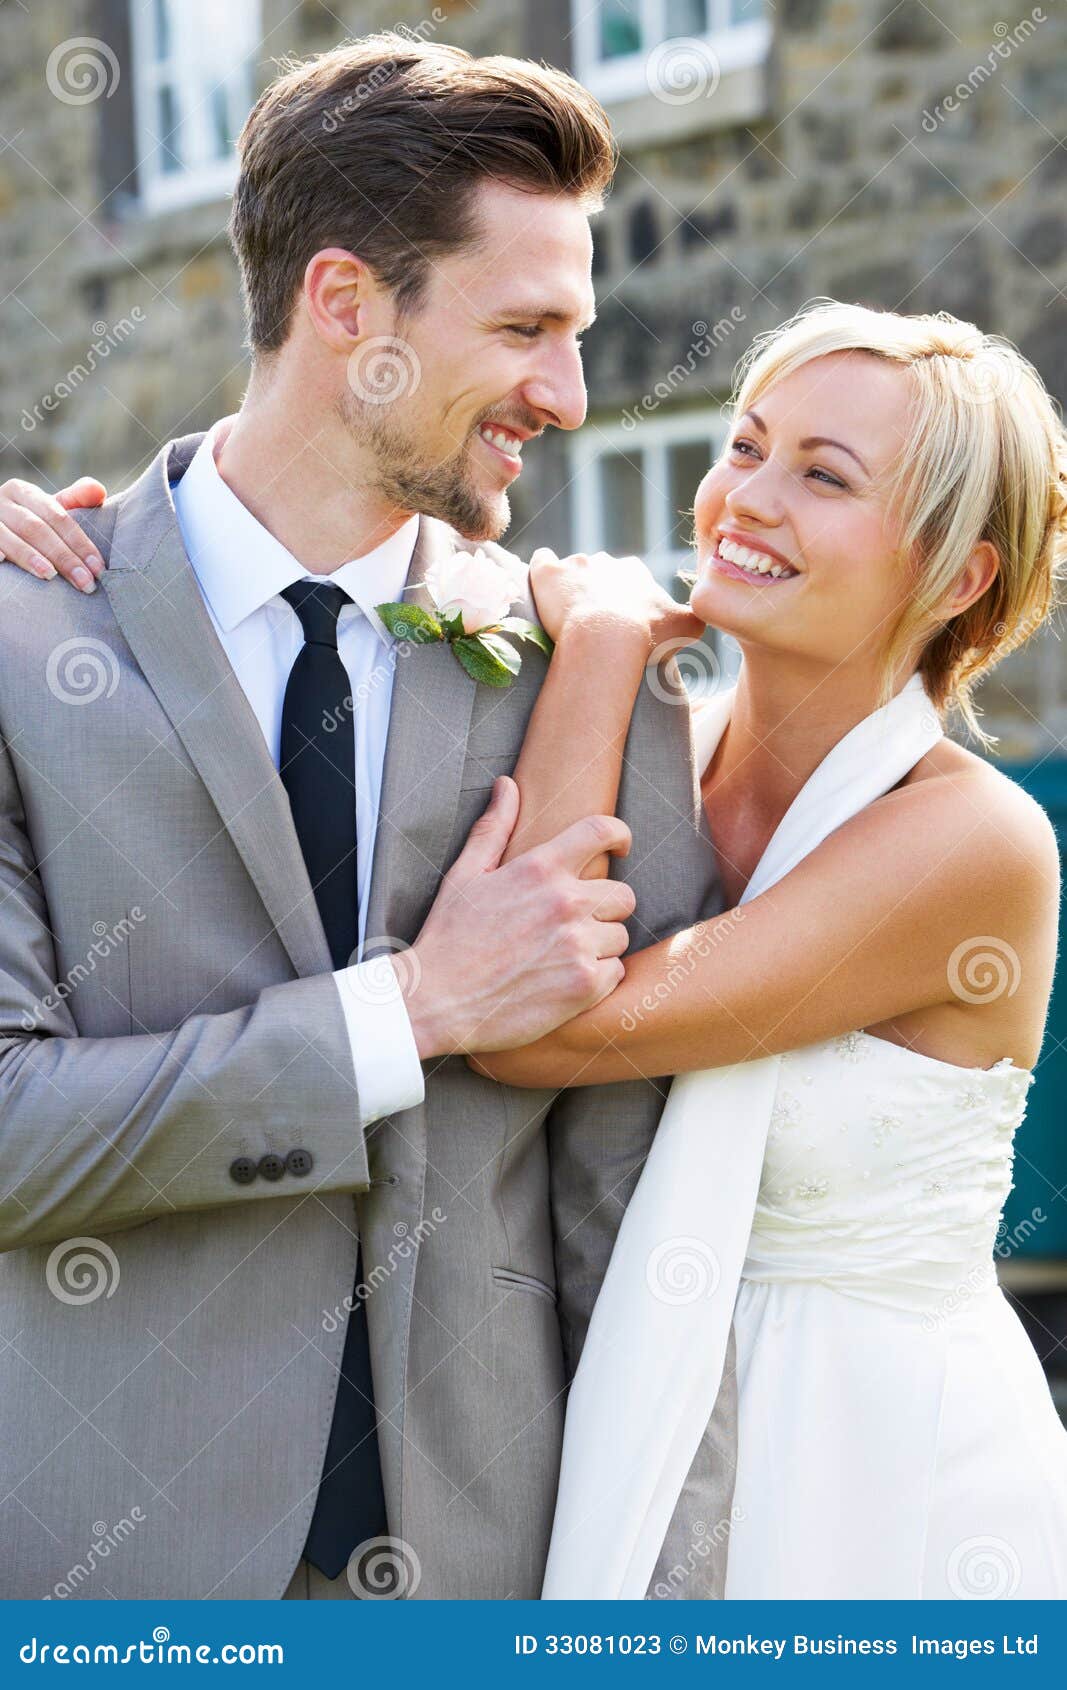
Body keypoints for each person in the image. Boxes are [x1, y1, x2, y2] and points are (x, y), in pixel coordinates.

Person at [0, 36, 722, 1601]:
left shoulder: (583, 662)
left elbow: (628, 1199)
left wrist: (660, 1607)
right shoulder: (16, 643)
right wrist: (416, 1009)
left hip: (490, 1584)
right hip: (104, 1579)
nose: (571, 396)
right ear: (347, 309)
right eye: (525, 328)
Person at [470, 301, 1067, 1599]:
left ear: (958, 576)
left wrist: (605, 644)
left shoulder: (973, 842)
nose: (749, 495)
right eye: (745, 445)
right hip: (626, 1415)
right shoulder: (664, 761)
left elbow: (540, 1018)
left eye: (824, 474)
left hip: (873, 1470)